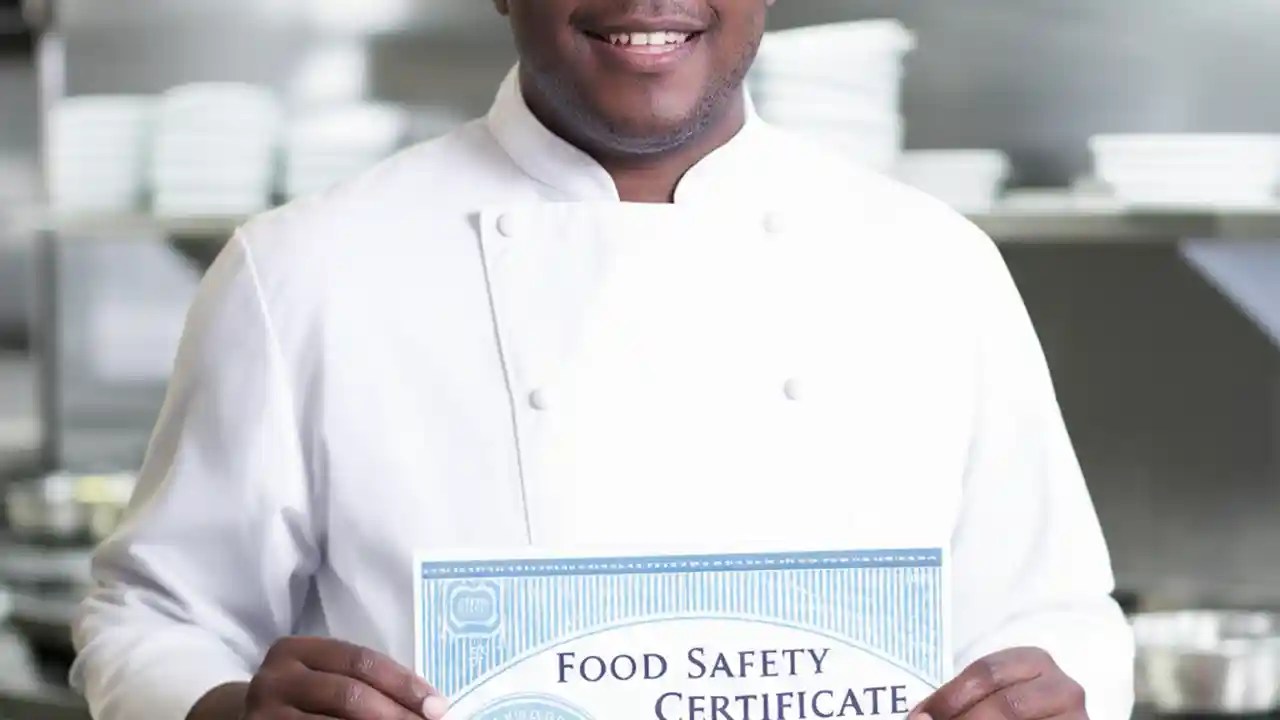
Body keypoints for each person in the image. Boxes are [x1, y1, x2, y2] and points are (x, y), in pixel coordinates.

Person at [71, 1, 1135, 719]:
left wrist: (1053, 690)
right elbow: (155, 616)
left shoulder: (933, 262)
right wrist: (223, 709)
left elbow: (1057, 613)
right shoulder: (303, 269)